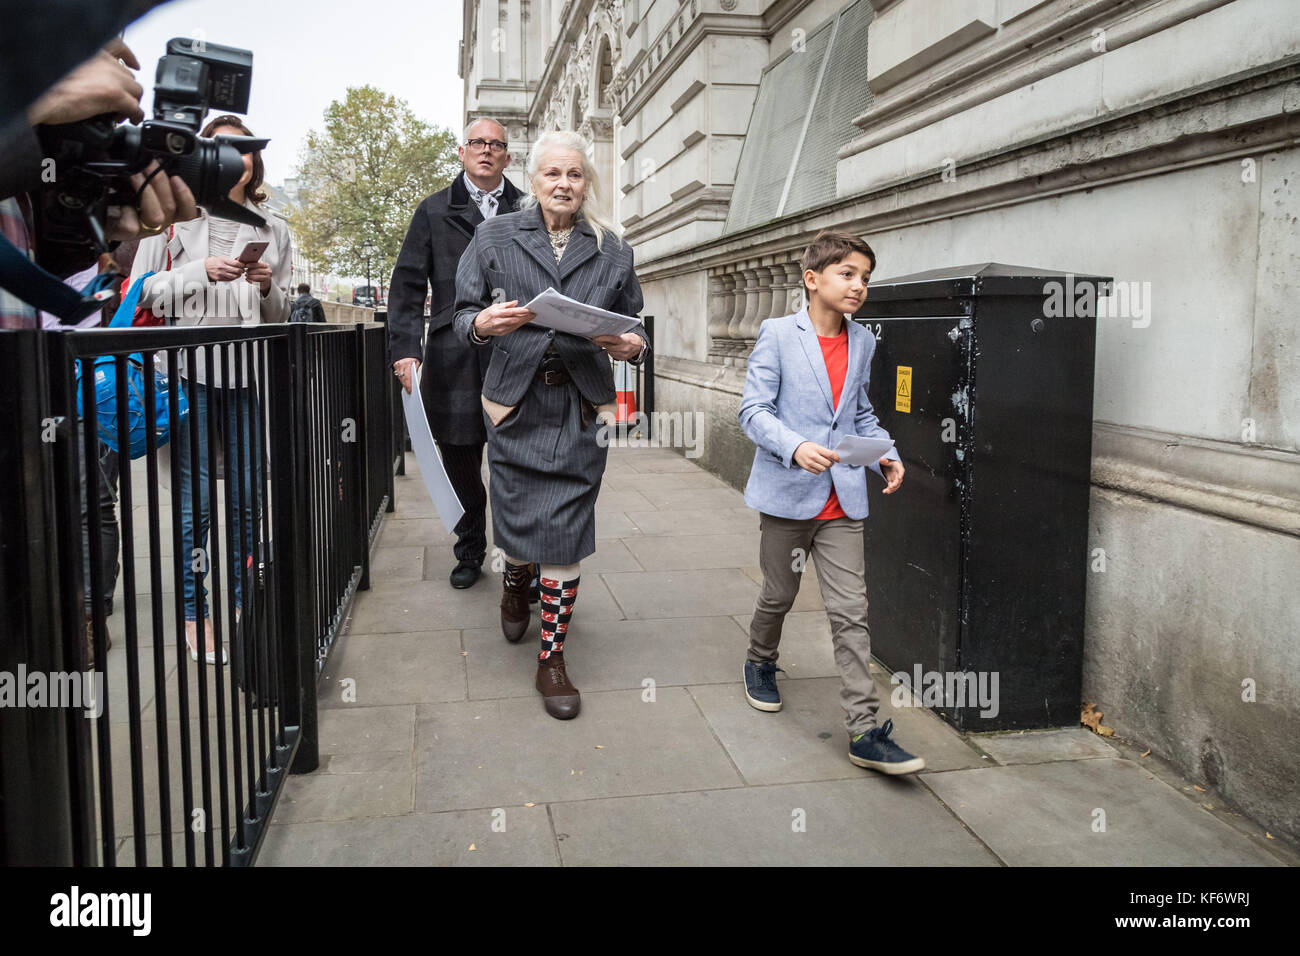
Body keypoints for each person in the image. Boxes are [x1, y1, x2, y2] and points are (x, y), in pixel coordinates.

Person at [452, 129, 649, 719]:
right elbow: (460, 318)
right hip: (514, 403)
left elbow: (635, 327)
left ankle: (552, 657)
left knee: (565, 530)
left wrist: (630, 347)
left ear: (587, 183)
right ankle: (515, 577)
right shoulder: (493, 237)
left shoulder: (613, 249)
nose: (564, 184)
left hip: (582, 406)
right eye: (552, 174)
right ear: (533, 181)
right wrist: (485, 324)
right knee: (515, 521)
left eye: (575, 175)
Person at [737, 229, 925, 774]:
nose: (859, 285)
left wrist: (884, 453)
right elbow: (752, 411)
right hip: (787, 494)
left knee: (851, 613)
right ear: (812, 279)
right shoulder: (777, 334)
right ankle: (760, 660)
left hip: (843, 500)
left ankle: (864, 731)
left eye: (866, 277)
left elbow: (858, 413)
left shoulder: (863, 340)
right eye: (848, 274)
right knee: (778, 594)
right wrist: (795, 447)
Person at [128, 114, 291, 664]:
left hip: (246, 378)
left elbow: (282, 312)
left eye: (241, 148)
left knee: (248, 502)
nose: (232, 158)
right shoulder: (169, 225)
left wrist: (268, 288)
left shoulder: (273, 229)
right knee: (194, 508)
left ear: (253, 160)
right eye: (219, 148)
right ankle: (196, 615)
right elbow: (142, 294)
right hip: (184, 378)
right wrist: (199, 271)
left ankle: (248, 610)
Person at [389, 117, 524, 590]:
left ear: (507, 156)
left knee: (516, 462)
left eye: (496, 144)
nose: (486, 150)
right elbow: (406, 286)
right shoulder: (432, 211)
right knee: (462, 459)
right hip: (454, 355)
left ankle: (519, 560)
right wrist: (405, 350)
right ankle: (469, 549)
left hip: (518, 354)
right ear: (462, 153)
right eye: (477, 143)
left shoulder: (529, 207)